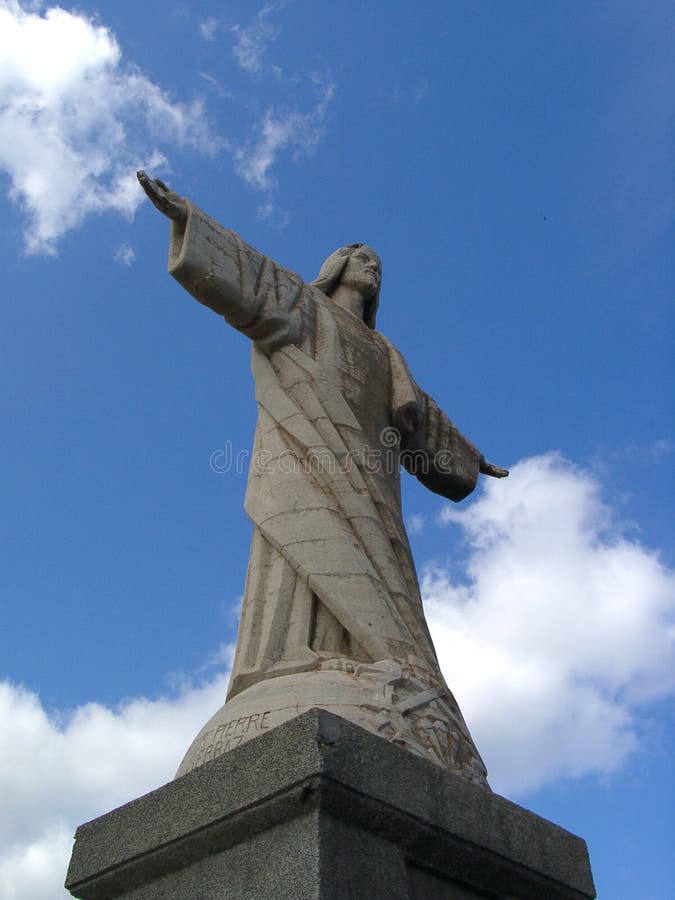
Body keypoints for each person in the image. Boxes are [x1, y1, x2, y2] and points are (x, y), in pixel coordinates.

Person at [138, 171, 508, 785]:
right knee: (304, 551)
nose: (372, 267)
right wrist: (189, 221)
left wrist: (473, 459)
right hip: (306, 458)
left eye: (379, 265)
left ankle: (372, 663)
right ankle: (294, 665)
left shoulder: (386, 353)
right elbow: (253, 277)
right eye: (362, 258)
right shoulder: (303, 308)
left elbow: (425, 422)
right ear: (336, 266)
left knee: (384, 568)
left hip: (373, 480)